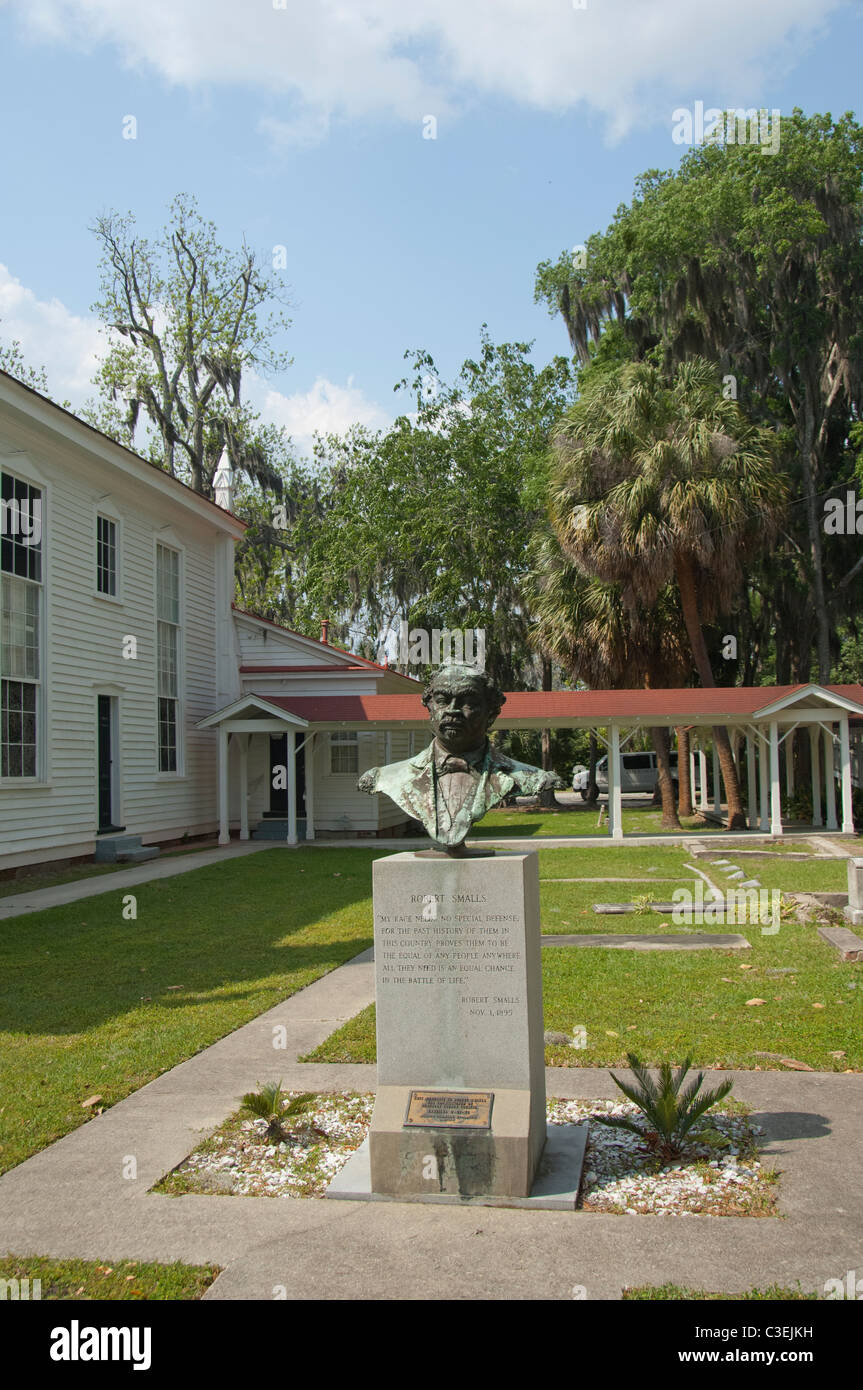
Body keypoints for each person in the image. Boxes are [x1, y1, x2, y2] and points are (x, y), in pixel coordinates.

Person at [357, 661, 561, 853]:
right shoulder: (387, 777)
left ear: (491, 714)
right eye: (443, 701)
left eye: (469, 703)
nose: (452, 710)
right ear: (430, 708)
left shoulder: (530, 777)